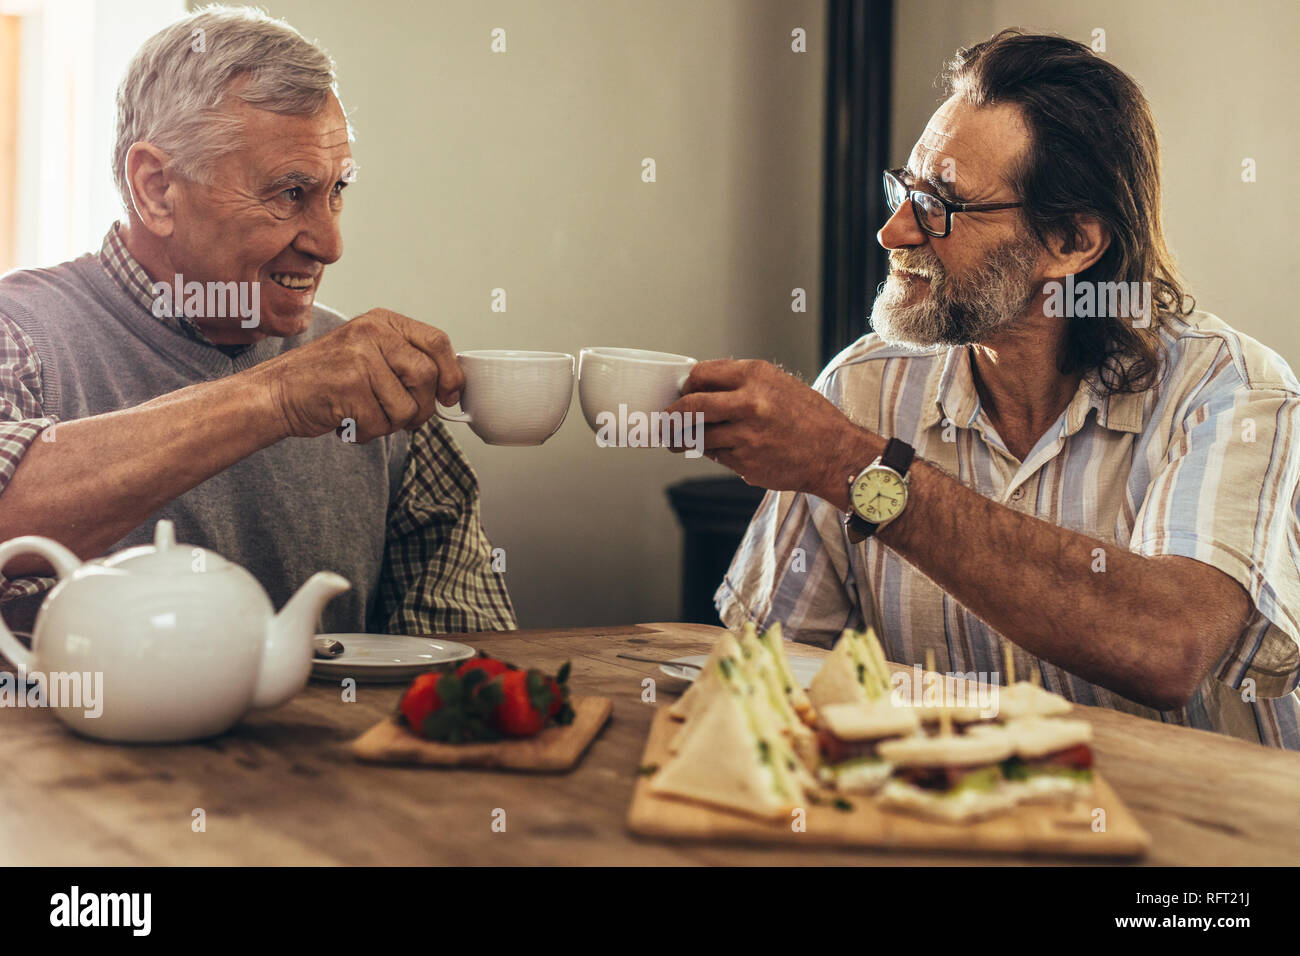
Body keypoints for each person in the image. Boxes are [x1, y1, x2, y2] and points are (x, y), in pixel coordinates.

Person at [671, 29, 1300, 748]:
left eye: (938, 205)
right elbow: (771, 672)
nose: (892, 231)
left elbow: (1166, 644)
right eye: (902, 189)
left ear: (1071, 243)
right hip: (961, 828)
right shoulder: (863, 388)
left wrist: (854, 468)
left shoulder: (1232, 392)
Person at [0, 7, 516, 635]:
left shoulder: (369, 379)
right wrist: (278, 395)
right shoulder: (19, 332)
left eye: (337, 191)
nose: (330, 245)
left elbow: (472, 672)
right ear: (157, 189)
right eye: (289, 193)